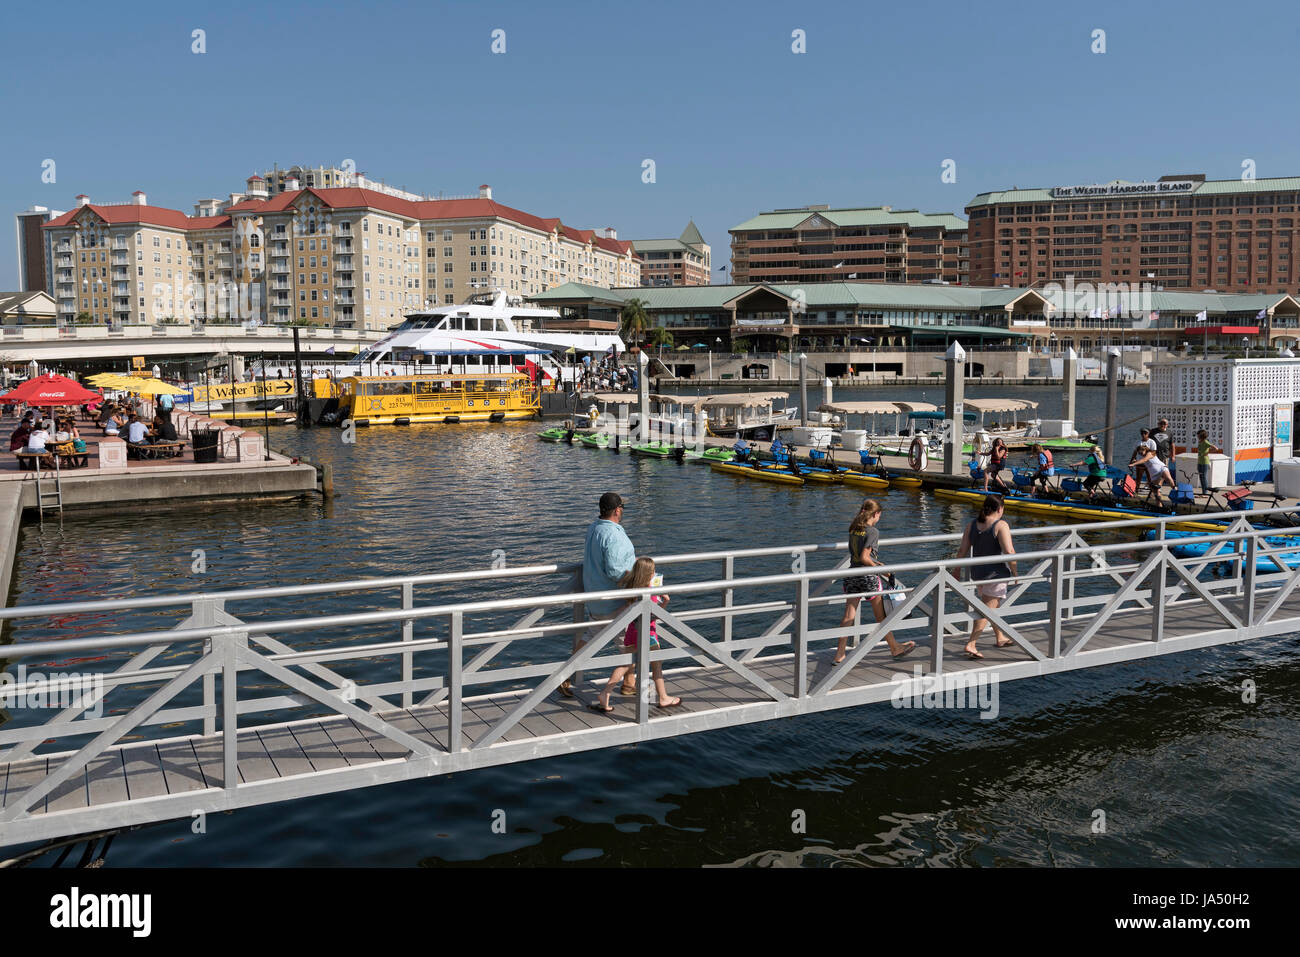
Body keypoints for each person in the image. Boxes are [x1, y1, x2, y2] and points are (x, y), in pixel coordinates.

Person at [560, 492, 637, 698]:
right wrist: (639, 579)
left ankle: (563, 676)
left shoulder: (593, 528)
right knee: (630, 644)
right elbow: (616, 571)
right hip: (615, 602)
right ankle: (622, 687)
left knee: (591, 637)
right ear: (617, 510)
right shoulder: (614, 535)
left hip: (596, 598)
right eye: (622, 508)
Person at [592, 557, 681, 712]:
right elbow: (653, 615)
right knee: (657, 665)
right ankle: (663, 697)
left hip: (632, 632)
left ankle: (605, 693)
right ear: (650, 574)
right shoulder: (651, 592)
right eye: (653, 571)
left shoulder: (633, 588)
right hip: (648, 633)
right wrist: (665, 601)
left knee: (626, 664)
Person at [834, 499, 916, 664]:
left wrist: (874, 562)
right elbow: (865, 557)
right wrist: (882, 570)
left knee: (848, 615)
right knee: (881, 616)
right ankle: (894, 648)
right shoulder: (873, 532)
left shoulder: (854, 529)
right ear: (876, 514)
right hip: (867, 577)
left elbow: (859, 557)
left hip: (852, 575)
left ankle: (839, 654)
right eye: (880, 515)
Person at [956, 495, 1018, 659]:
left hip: (978, 574)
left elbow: (962, 551)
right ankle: (972, 643)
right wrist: (1016, 572)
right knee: (987, 610)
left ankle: (1000, 637)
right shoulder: (1001, 525)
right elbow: (1009, 552)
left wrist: (956, 571)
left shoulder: (972, 524)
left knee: (990, 605)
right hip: (995, 575)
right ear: (1000, 509)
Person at [1196, 429, 1223, 495]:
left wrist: (1208, 452)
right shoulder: (1200, 442)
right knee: (1201, 477)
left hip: (1204, 462)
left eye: (1198, 435)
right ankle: (1203, 492)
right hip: (1200, 461)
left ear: (1201, 435)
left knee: (1203, 477)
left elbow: (1216, 448)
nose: (1197, 436)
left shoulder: (1205, 442)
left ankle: (1205, 493)